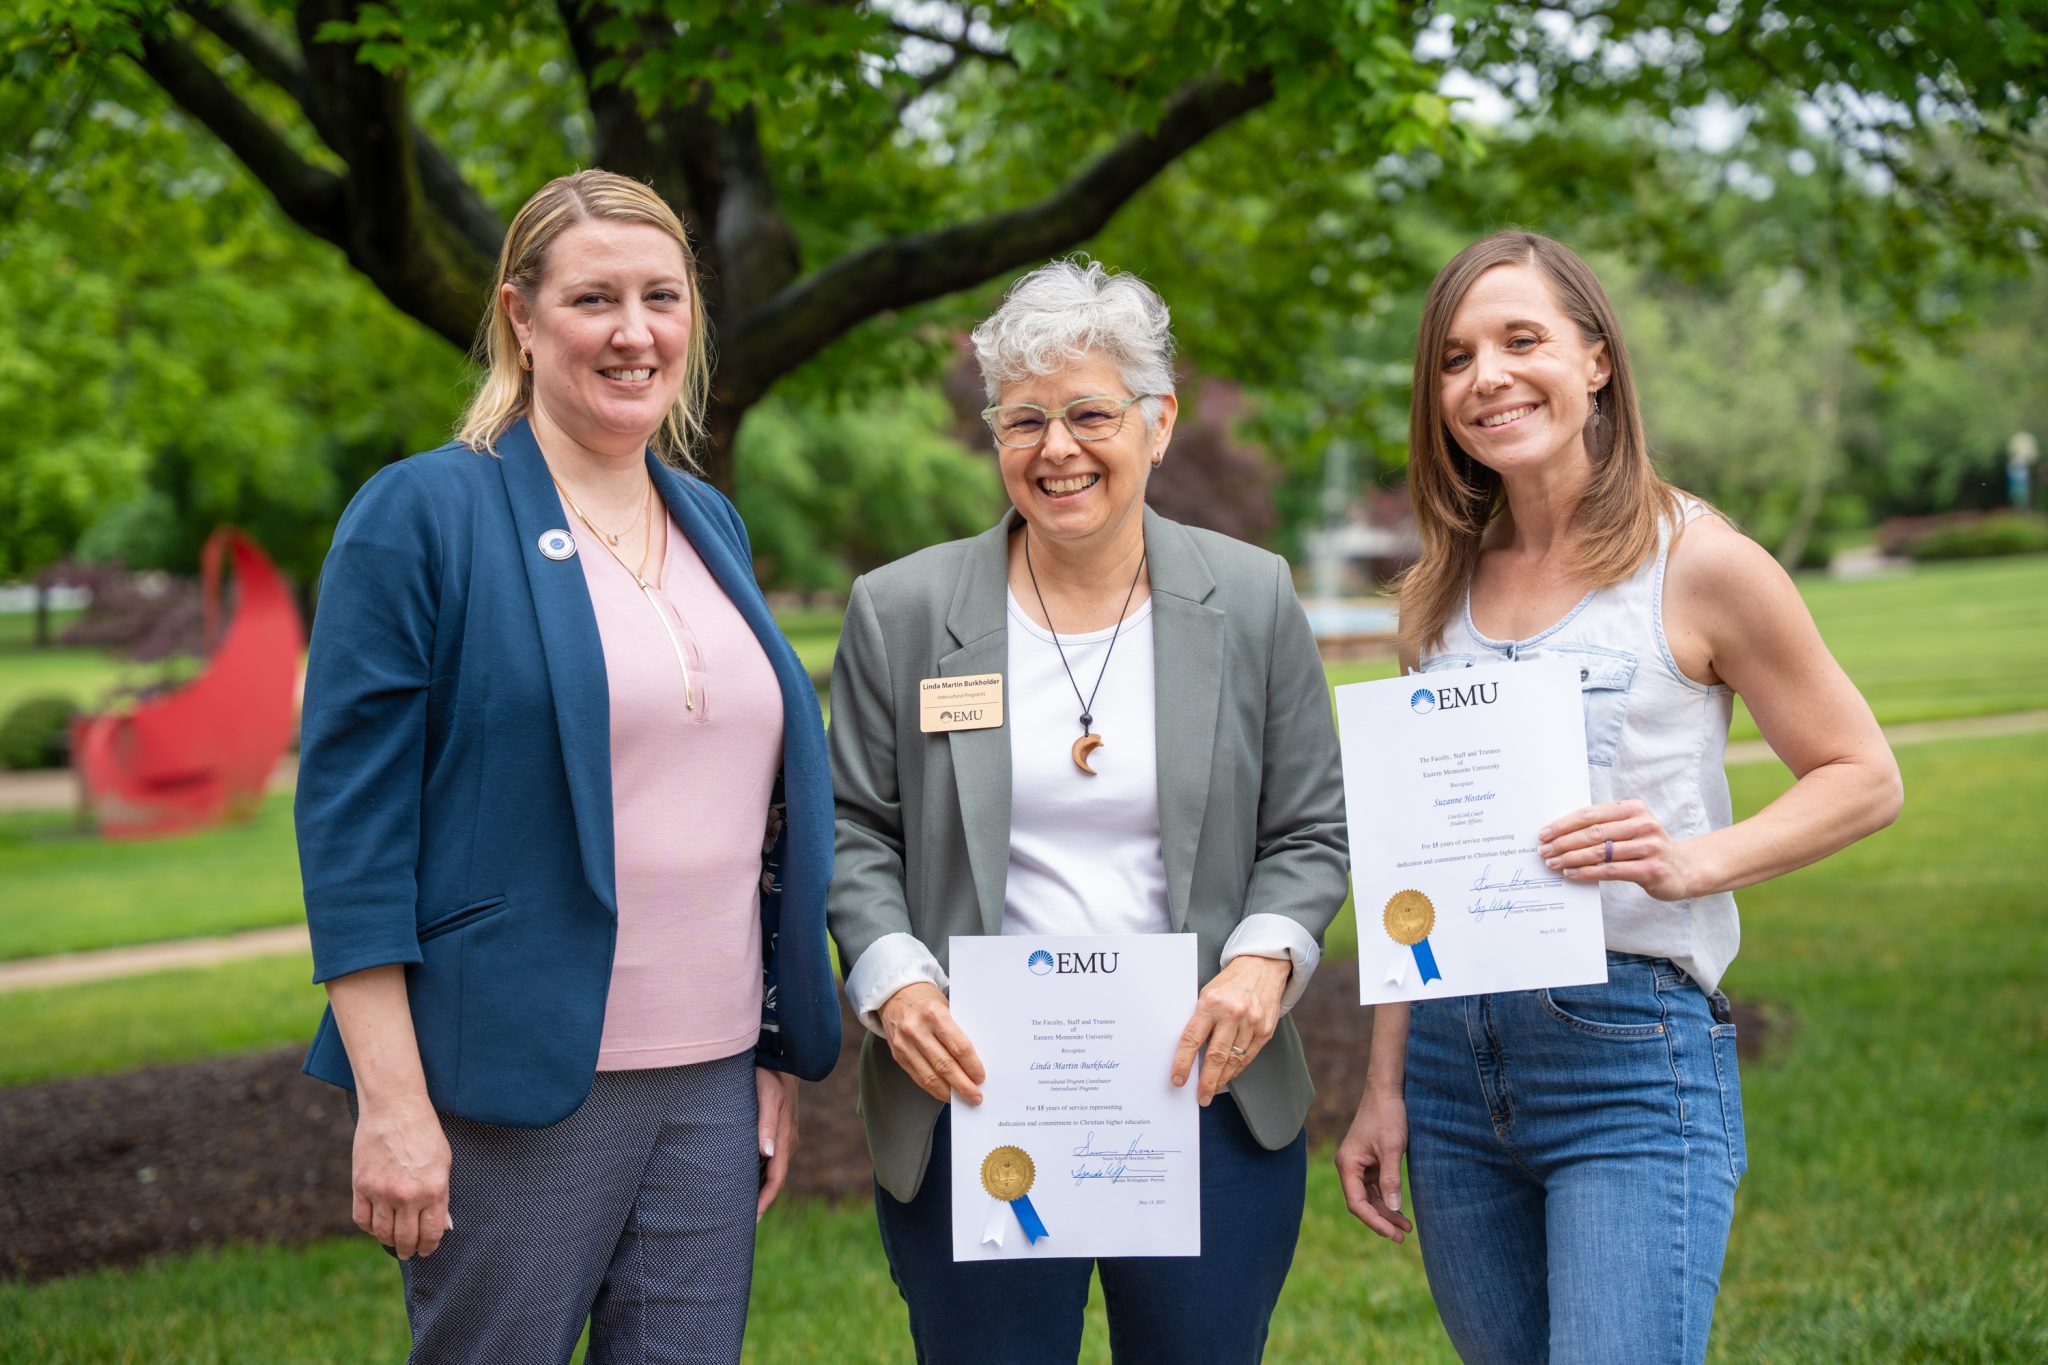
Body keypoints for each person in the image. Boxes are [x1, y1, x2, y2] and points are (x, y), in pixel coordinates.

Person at [296, 169, 839, 1364]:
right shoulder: (422, 515)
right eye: (594, 299)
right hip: (515, 1082)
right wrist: (391, 1105)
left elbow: (748, 822)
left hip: (708, 1083)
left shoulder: (710, 520)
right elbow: (351, 836)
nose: (635, 332)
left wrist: (763, 1050)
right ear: (519, 318)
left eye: (663, 296)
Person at [1335, 230, 1903, 1363]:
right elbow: (1414, 871)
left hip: (1628, 1060)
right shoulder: (1434, 595)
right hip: (1451, 1070)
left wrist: (1694, 861)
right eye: (1453, 357)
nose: (1484, 377)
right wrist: (1382, 1085)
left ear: (1595, 361)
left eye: (1519, 340)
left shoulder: (1693, 561)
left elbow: (1862, 777)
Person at [827, 259, 1350, 1363]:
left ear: (1156, 425)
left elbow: (1307, 827)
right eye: (1023, 420)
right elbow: (848, 828)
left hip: (1203, 1087)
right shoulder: (903, 611)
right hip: (976, 1094)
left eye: (1087, 414)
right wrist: (892, 978)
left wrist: (1263, 964)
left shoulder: (1249, 597)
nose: (1055, 448)